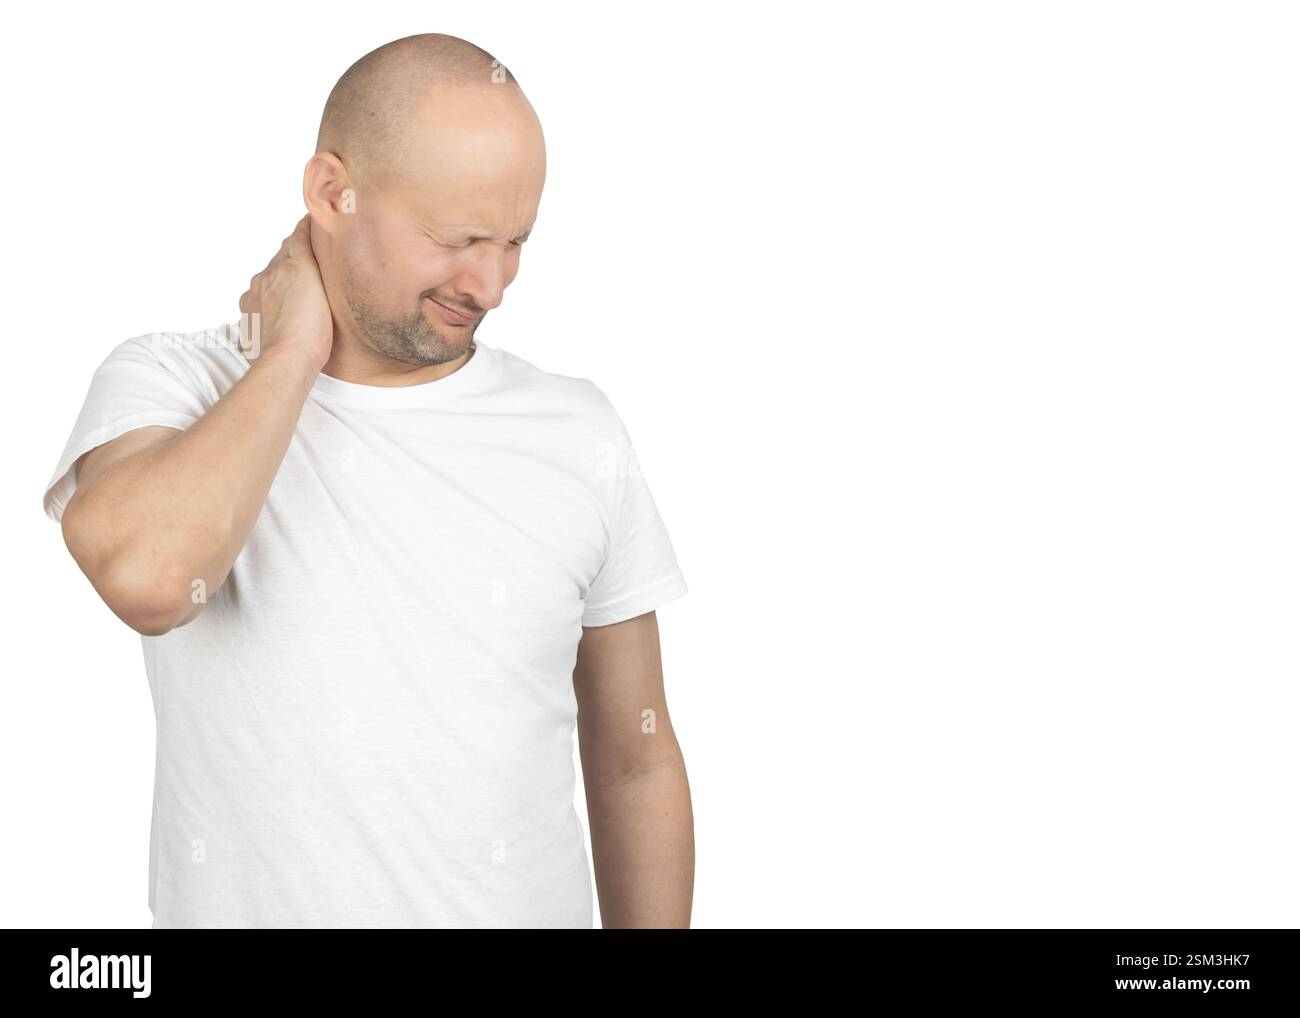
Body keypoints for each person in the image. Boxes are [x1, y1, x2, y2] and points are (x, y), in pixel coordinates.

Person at [42, 33, 693, 929]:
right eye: (457, 238)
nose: (491, 285)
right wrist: (296, 350)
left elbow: (635, 756)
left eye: (514, 243)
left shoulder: (578, 430)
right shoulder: (170, 385)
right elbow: (151, 579)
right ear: (330, 192)